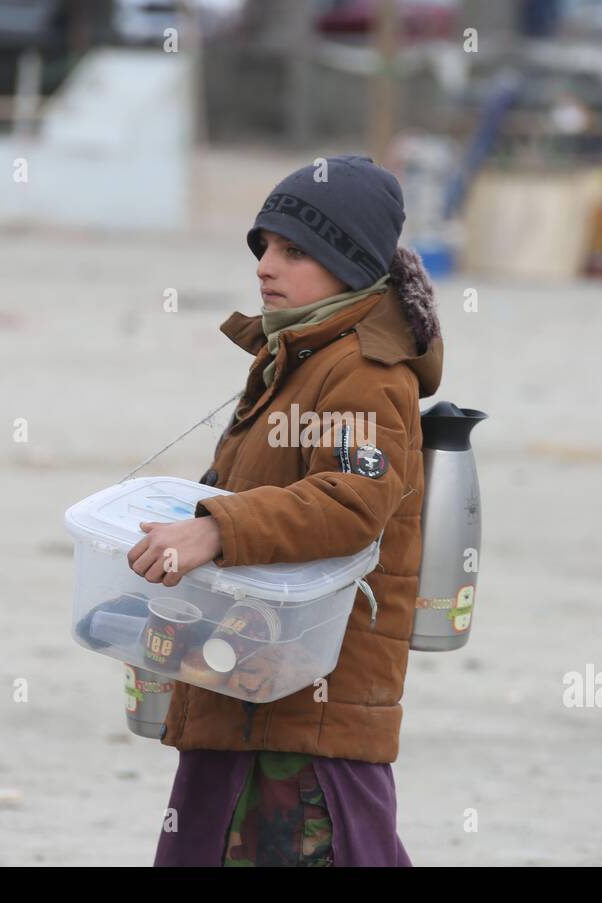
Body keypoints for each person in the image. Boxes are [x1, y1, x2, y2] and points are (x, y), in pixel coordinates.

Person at [125, 155, 444, 866]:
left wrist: (216, 529)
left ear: (352, 264)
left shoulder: (364, 371)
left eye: (296, 251)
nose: (267, 266)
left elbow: (351, 501)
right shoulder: (297, 353)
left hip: (308, 718)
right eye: (263, 246)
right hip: (250, 691)